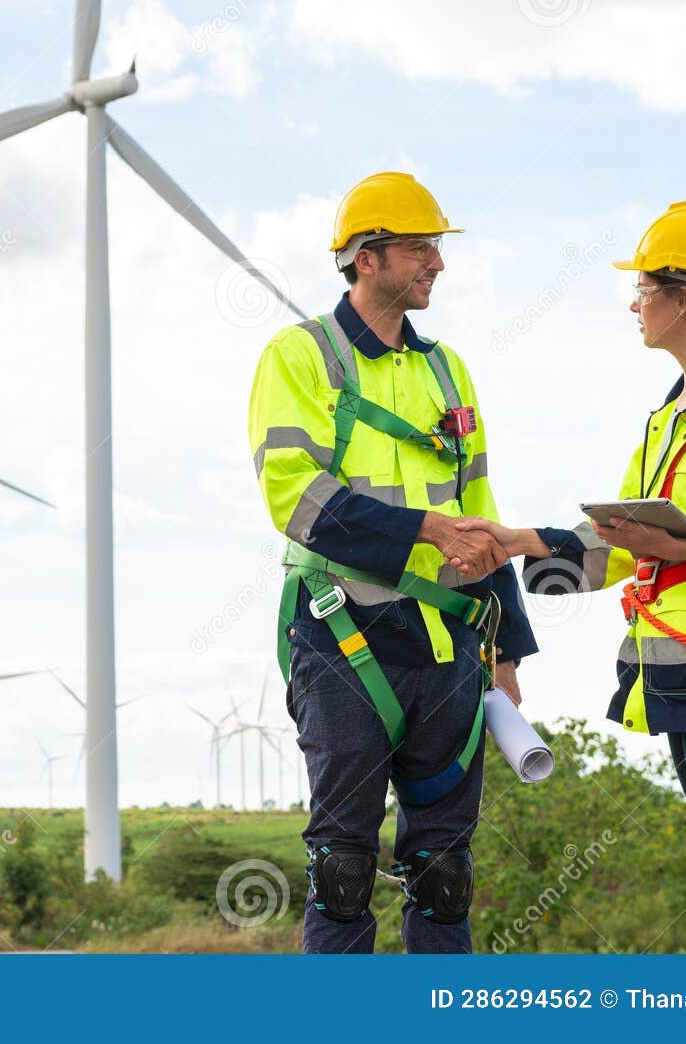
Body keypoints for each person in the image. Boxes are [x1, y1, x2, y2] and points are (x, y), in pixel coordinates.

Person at [466, 200, 686, 953]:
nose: (633, 303)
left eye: (643, 288)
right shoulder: (670, 418)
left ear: (685, 296)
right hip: (679, 679)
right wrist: (515, 544)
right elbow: (624, 543)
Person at [248, 172, 535, 954]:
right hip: (344, 641)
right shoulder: (302, 357)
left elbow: (482, 517)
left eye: (437, 248)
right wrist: (427, 530)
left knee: (445, 873)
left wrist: (508, 651)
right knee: (342, 868)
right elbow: (297, 497)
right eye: (420, 248)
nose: (437, 262)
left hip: (448, 648)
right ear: (367, 257)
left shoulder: (449, 373)